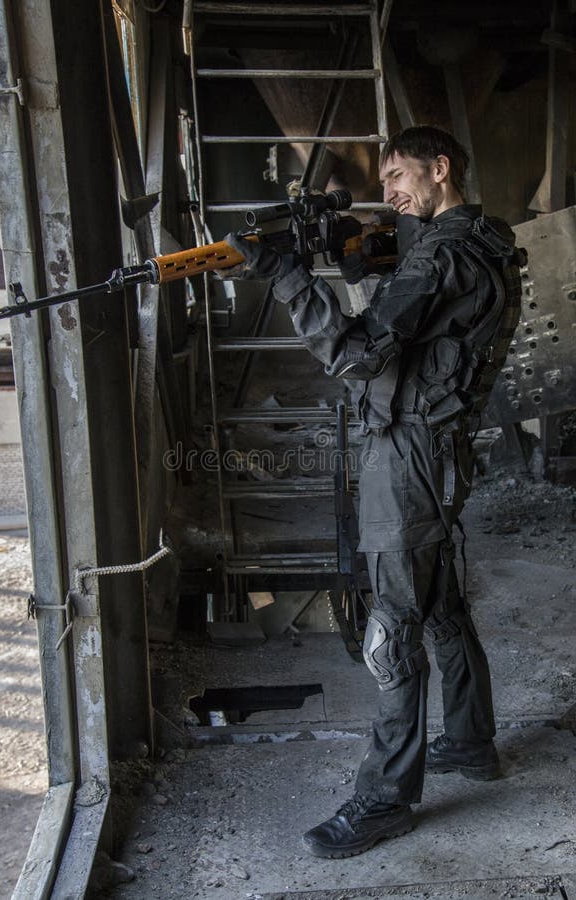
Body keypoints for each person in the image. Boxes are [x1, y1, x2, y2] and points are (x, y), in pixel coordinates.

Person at [224, 125, 523, 859]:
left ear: (439, 169)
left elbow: (355, 355)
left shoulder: (441, 256)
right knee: (441, 602)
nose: (386, 192)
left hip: (409, 452)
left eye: (397, 175)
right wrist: (343, 253)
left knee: (392, 624)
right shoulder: (482, 237)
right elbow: (416, 308)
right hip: (440, 447)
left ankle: (385, 798)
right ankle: (468, 741)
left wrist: (291, 275)